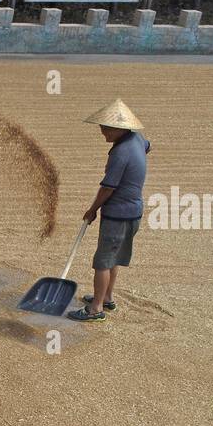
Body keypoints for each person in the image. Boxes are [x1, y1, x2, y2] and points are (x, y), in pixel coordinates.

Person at [69, 99, 151, 322]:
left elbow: (107, 188)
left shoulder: (120, 153)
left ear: (119, 128)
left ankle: (96, 309)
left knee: (102, 262)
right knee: (114, 258)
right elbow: (148, 147)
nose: (102, 132)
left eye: (105, 129)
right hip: (134, 211)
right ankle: (106, 297)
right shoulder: (138, 139)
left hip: (118, 215)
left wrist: (92, 210)